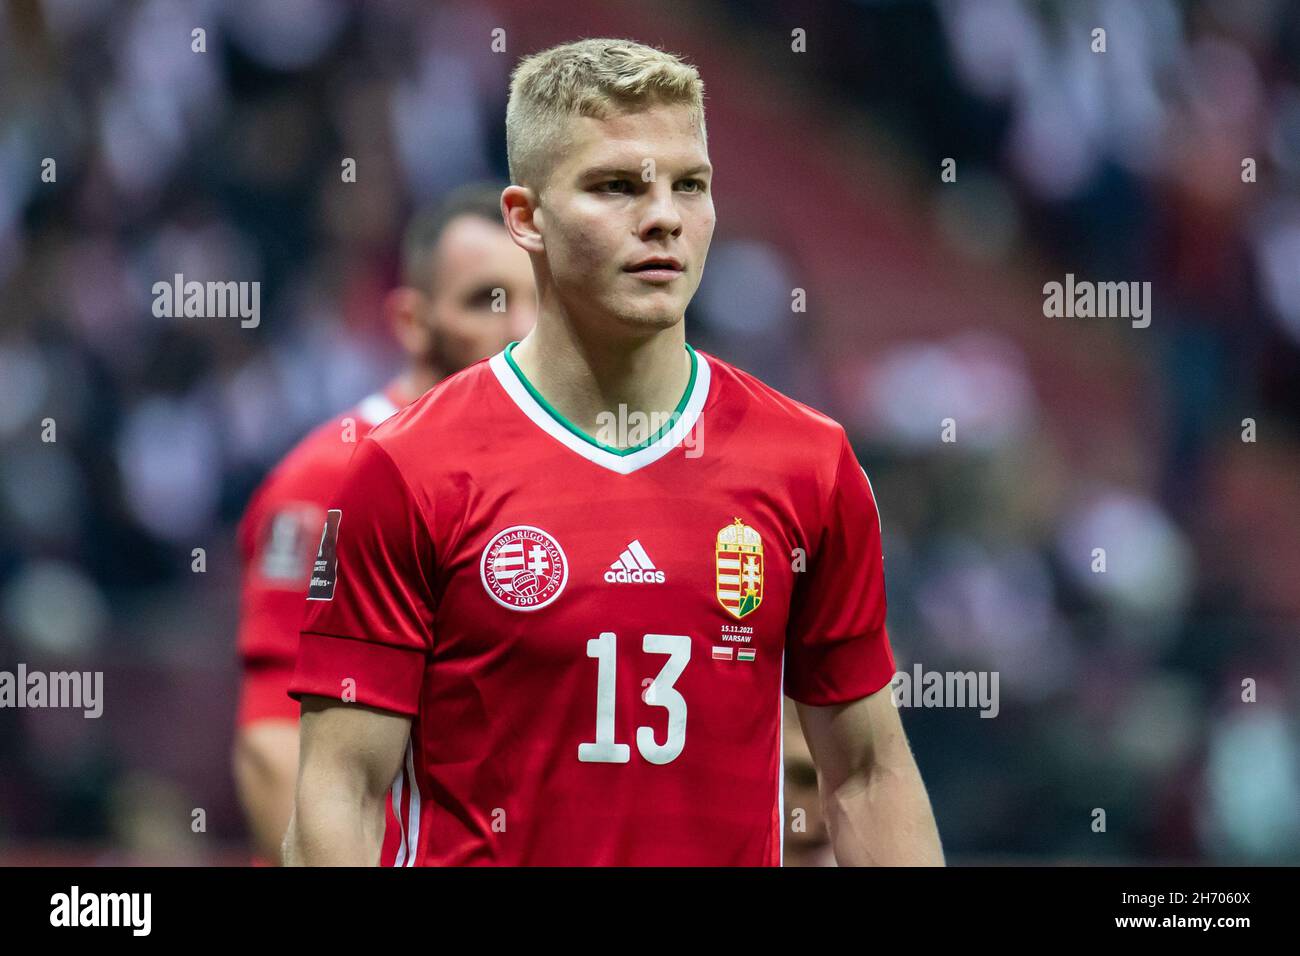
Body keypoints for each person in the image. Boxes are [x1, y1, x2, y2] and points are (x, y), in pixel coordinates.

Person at [285, 38, 943, 866]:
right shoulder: (408, 467)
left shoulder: (809, 462)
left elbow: (869, 776)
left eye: (689, 185)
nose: (664, 214)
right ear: (525, 218)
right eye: (617, 186)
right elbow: (337, 792)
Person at [232, 183, 537, 863]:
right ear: (411, 322)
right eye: (484, 299)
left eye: (535, 298)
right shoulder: (325, 482)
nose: (519, 327)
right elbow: (274, 746)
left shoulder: (544, 474)